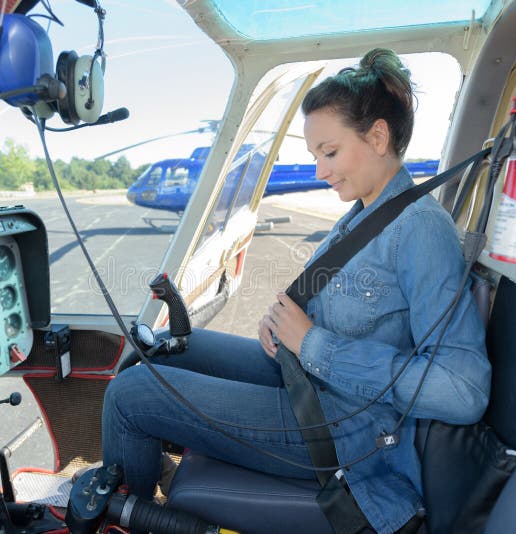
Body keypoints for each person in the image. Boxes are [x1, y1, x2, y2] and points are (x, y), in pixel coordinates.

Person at [101, 48, 490, 534]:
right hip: (313, 384)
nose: (320, 171)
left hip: (351, 431)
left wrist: (313, 343)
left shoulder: (419, 229)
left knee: (131, 396)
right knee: (169, 349)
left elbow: (463, 390)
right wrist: (281, 324)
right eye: (314, 156)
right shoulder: (363, 214)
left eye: (330, 153)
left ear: (377, 136)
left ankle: (124, 519)